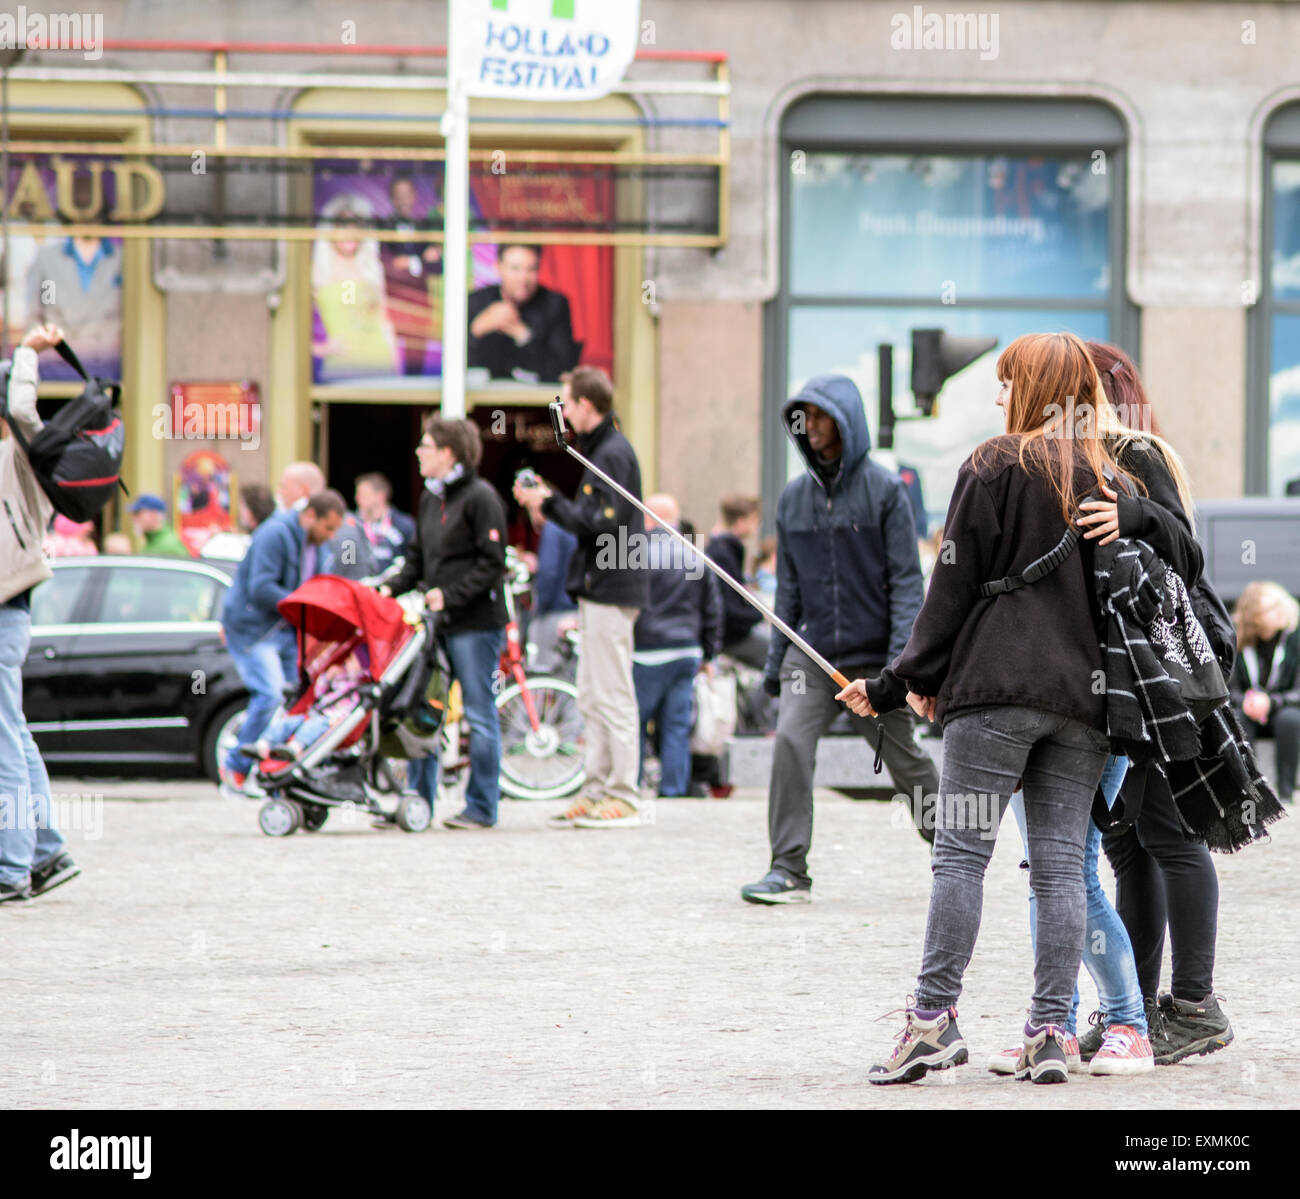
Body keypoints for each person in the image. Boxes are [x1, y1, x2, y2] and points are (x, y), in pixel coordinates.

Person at [843, 332, 1121, 1085]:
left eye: (1008, 383)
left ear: (1032, 388)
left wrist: (896, 681)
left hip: (997, 691)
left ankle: (932, 1020)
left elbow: (951, 589)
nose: (999, 396)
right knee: (1062, 869)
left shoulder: (994, 463)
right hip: (1083, 702)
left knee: (961, 855)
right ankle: (1050, 1031)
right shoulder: (1110, 474)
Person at [1087, 340, 1236, 1067]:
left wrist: (1134, 513)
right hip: (1128, 676)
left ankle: (1197, 1005)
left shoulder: (1134, 450)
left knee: (1171, 835)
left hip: (1163, 675)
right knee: (1129, 844)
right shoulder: (1086, 451)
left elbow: (1187, 551)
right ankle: (1136, 1010)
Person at [740, 375, 940, 905]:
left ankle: (953, 850)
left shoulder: (886, 492)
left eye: (822, 416)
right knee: (789, 743)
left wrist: (901, 669)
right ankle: (788, 870)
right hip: (812, 660)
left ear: (846, 422)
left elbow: (905, 584)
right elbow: (789, 593)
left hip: (876, 663)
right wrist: (773, 669)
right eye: (803, 416)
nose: (811, 425)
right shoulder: (792, 500)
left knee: (907, 763)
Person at [514, 366, 649, 828]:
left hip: (612, 587)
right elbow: (595, 518)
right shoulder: (606, 449)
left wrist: (546, 503)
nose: (563, 412)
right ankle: (596, 790)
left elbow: (600, 523)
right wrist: (551, 502)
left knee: (611, 693)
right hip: (601, 588)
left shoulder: (611, 453)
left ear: (586, 406)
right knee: (592, 693)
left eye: (567, 403)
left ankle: (624, 794)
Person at [384, 417, 508, 830]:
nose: (418, 452)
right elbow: (418, 560)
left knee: (478, 713)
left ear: (448, 453)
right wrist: (388, 589)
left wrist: (449, 595)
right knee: (425, 712)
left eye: (427, 446)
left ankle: (482, 808)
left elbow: (492, 564)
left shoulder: (481, 498)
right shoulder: (429, 499)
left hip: (475, 625)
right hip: (436, 625)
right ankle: (416, 805)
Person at [1, 323, 80, 902]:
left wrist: (28, 352)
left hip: (6, 604)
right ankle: (48, 849)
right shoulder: (23, 459)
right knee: (15, 735)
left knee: (4, 739)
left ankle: (10, 866)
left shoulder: (21, 454)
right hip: (16, 607)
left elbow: (22, 404)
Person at [218, 490, 347, 798]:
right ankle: (235, 768)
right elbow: (261, 587)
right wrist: (301, 607)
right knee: (270, 695)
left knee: (296, 703)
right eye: (327, 528)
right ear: (310, 516)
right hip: (255, 630)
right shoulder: (275, 533)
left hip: (286, 630)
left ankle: (276, 779)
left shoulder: (316, 543)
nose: (330, 536)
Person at [633, 494, 723, 798]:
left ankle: (630, 786)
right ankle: (672, 789)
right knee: (676, 726)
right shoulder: (694, 553)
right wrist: (709, 654)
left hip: (645, 652)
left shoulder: (634, 553)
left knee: (635, 723)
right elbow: (712, 611)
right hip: (686, 651)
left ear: (647, 517)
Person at [1231, 580, 1300, 804]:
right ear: (1254, 615)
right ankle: (1250, 791)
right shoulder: (1238, 642)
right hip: (1249, 710)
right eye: (1271, 608)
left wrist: (1271, 702)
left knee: (1290, 720)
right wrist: (1248, 701)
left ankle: (1286, 793)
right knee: (1238, 721)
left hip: (1283, 709)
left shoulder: (1293, 641)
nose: (1281, 611)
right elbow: (1229, 689)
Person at [468, 244, 579, 383]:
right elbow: (453, 366)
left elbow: (563, 369)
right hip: (483, 400)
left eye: (531, 269)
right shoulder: (475, 302)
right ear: (498, 268)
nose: (523, 279)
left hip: (536, 401)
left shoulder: (554, 304)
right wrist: (476, 330)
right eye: (515, 268)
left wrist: (522, 334)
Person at [380, 173, 442, 376]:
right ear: (392, 198)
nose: (404, 199)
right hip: (393, 300)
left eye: (407, 194)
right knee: (391, 352)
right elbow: (387, 264)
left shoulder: (426, 227)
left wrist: (411, 263)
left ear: (414, 196)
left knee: (417, 353)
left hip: (420, 300)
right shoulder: (383, 227)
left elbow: (438, 265)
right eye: (399, 195)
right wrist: (420, 260)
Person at [704, 494, 767, 671]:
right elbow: (728, 608)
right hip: (730, 635)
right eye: (755, 521)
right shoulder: (723, 552)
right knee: (782, 660)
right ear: (741, 522)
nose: (757, 527)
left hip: (728, 631)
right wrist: (760, 615)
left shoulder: (721, 549)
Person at [355, 472, 417, 577]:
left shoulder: (405, 525)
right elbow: (347, 560)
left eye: (362, 494)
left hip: (393, 588)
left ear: (380, 496)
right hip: (362, 587)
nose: (357, 498)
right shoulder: (353, 525)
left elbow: (414, 560)